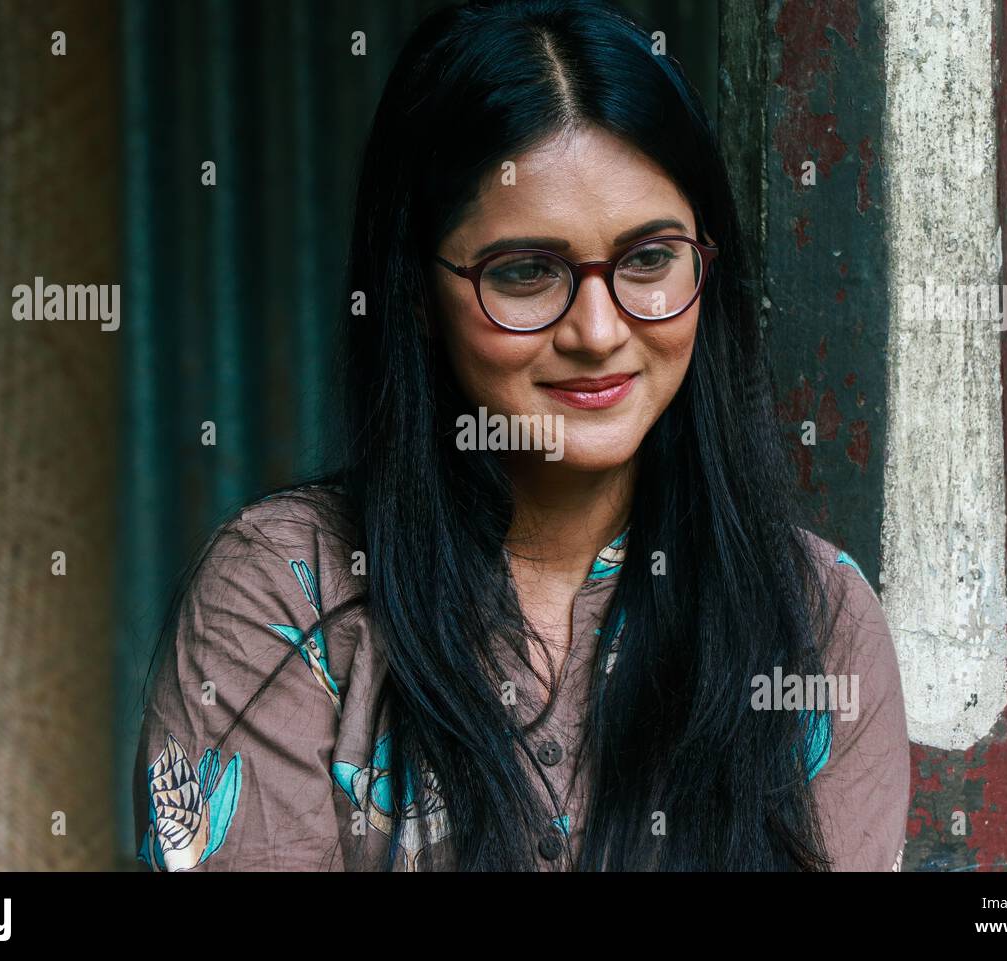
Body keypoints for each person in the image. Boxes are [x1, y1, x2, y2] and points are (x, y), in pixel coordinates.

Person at [134, 0, 908, 872]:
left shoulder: (813, 620)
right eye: (528, 272)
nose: (597, 329)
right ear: (418, 297)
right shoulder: (284, 597)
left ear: (707, 266)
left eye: (649, 259)